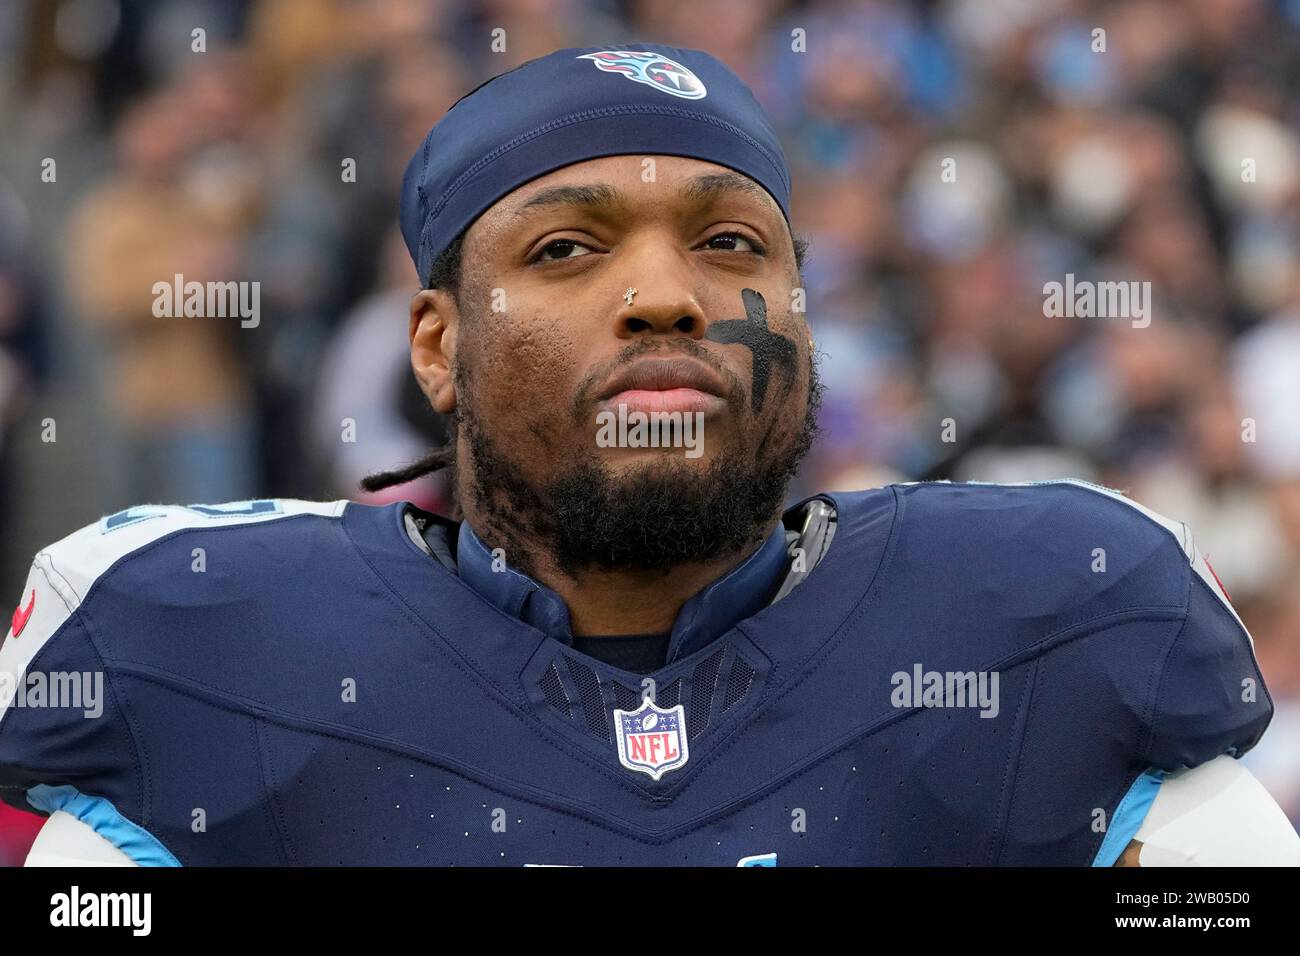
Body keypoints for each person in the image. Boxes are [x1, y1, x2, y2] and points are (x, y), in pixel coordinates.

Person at [2, 45, 1296, 867]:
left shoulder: (1045, 625)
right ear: (437, 351)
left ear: (805, 308)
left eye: (733, 243)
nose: (669, 297)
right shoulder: (213, 649)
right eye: (568, 249)